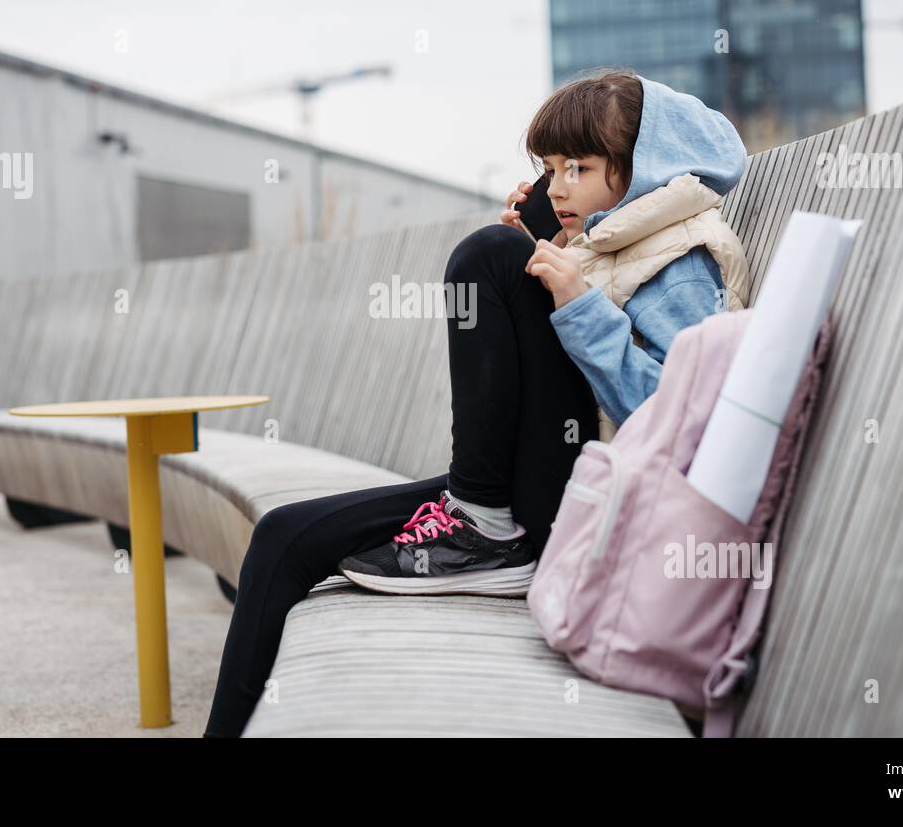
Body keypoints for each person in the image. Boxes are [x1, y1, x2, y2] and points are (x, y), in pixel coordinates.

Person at [202, 69, 752, 737]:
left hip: (599, 518)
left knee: (489, 254)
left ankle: (484, 527)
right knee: (284, 536)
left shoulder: (679, 265)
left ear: (642, 169)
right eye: (550, 169)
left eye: (578, 166)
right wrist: (548, 257)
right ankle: (479, 518)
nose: (558, 186)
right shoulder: (607, 245)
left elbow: (676, 422)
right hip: (539, 496)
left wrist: (575, 304)